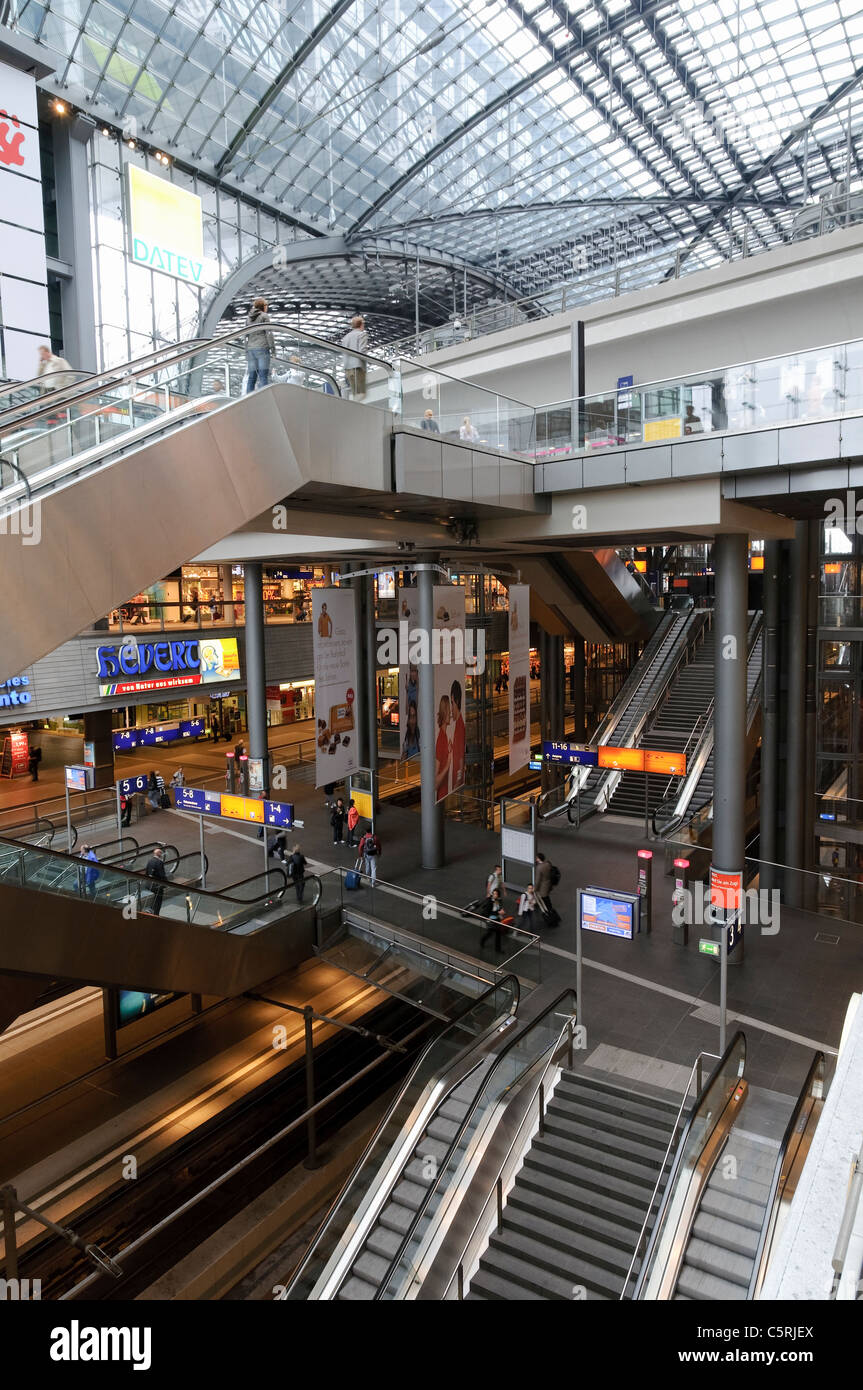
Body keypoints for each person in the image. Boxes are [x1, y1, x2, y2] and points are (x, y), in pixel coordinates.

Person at [244, 297, 275, 393]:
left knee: (252, 377)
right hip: (262, 348)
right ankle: (265, 398)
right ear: (263, 306)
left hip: (251, 350)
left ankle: (248, 399)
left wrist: (246, 350)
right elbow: (268, 333)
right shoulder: (264, 316)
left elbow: (245, 335)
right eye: (266, 305)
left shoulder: (248, 318)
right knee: (263, 376)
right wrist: (273, 348)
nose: (267, 307)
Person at [340, 314, 369, 398]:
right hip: (358, 368)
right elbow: (362, 351)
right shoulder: (362, 334)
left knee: (355, 394)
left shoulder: (346, 337)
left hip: (348, 369)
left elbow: (344, 354)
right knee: (361, 395)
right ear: (361, 324)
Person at [535, 852, 560, 927]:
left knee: (545, 902)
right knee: (548, 901)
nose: (536, 859)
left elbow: (538, 880)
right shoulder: (547, 864)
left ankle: (551, 917)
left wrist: (535, 889)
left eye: (536, 858)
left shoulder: (539, 867)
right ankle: (552, 912)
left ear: (539, 859)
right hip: (549, 884)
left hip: (543, 887)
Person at [435, 694, 452, 802]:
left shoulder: (444, 737)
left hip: (445, 795)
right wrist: (448, 763)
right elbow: (435, 783)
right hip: (441, 797)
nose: (450, 714)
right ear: (444, 712)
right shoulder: (441, 739)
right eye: (449, 711)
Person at [450, 679, 466, 791]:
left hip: (456, 782)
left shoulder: (460, 726)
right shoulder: (459, 724)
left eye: (452, 703)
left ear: (457, 701)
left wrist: (457, 782)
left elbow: (461, 760)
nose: (451, 709)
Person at [145, 845, 167, 915]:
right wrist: (166, 883)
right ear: (159, 854)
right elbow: (162, 875)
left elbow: (147, 872)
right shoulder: (159, 862)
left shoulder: (150, 860)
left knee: (156, 897)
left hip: (149, 884)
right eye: (161, 853)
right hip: (157, 885)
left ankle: (151, 909)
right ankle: (156, 913)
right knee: (159, 899)